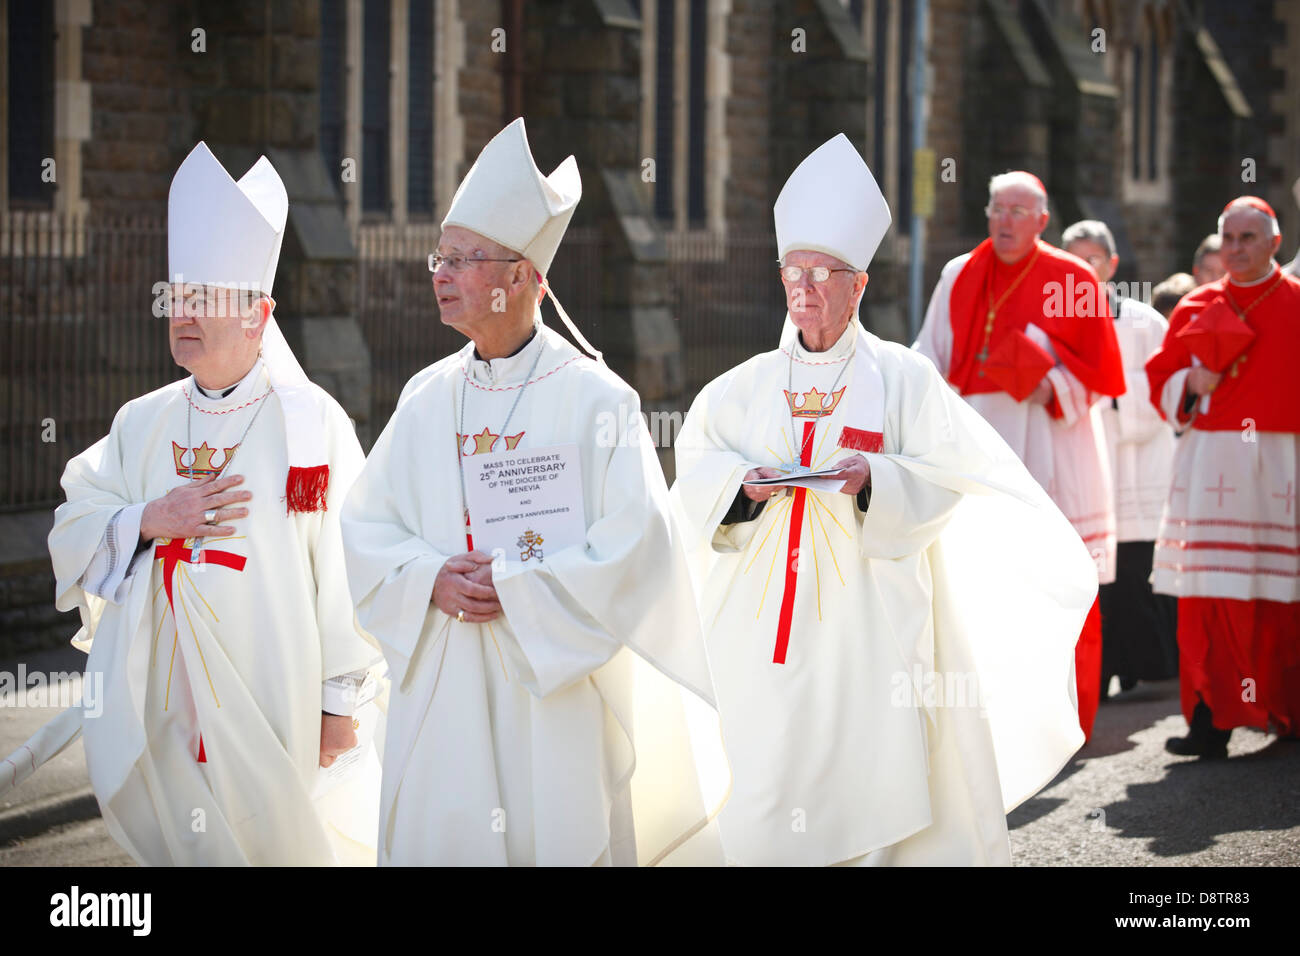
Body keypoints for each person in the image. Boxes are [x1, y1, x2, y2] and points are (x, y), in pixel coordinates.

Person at [670, 134, 1098, 866]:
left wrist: (878, 481)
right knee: (762, 768)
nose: (803, 288)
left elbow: (951, 473)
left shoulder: (904, 380)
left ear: (859, 284)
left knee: (865, 769)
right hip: (758, 627)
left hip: (868, 621)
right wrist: (739, 491)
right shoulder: (738, 389)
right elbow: (696, 472)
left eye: (823, 274)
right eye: (792, 272)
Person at [339, 118, 726, 866]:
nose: (440, 274)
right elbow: (365, 526)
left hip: (549, 689)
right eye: (439, 257)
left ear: (521, 276)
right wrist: (429, 578)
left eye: (462, 260)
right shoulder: (425, 397)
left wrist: (520, 587)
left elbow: (638, 545)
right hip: (445, 678)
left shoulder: (597, 401)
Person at [7, 143, 384, 865]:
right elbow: (72, 522)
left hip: (278, 697)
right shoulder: (141, 421)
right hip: (162, 700)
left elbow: (347, 570)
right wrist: (150, 518)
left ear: (258, 313)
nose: (184, 313)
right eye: (178, 296)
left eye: (206, 299)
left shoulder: (310, 424)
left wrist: (340, 706)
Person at [914, 171, 1126, 741]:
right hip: (975, 444)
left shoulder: (1075, 278)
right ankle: (992, 719)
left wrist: (1051, 381)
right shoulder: (958, 273)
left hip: (1047, 443)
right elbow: (927, 357)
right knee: (980, 581)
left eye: (1018, 211)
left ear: (1042, 218)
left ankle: (1062, 715)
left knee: (1054, 577)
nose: (1005, 221)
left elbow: (1103, 376)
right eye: (997, 210)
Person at [1146, 196, 1300, 757]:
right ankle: (1210, 720)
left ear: (1274, 242)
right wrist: (1191, 383)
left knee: (1279, 597)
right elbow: (1160, 382)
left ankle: (1286, 709)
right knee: (1207, 594)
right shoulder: (1195, 306)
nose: (1235, 249)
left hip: (1282, 467)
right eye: (1228, 238)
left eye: (1248, 238)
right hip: (1211, 465)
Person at [1062, 220, 1178, 699]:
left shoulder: (1144, 322)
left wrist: (1111, 400)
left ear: (1110, 266)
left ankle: (1148, 667)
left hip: (1136, 467)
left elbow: (1166, 391)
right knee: (1090, 579)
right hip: (1086, 466)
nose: (1080, 271)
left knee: (1132, 576)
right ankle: (1099, 672)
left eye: (1090, 260)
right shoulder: (1057, 321)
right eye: (1071, 260)